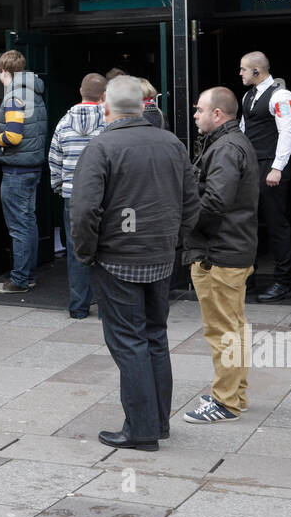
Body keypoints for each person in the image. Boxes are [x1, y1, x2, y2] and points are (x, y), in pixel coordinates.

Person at [71, 76, 199, 449]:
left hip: (116, 259)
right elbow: (192, 203)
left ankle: (142, 430)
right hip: (158, 257)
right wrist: (172, 239)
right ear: (144, 106)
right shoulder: (172, 143)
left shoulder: (101, 147)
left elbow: (83, 211)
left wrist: (86, 252)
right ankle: (156, 423)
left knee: (129, 343)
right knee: (154, 337)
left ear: (105, 108)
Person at [182, 86, 261, 424]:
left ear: (218, 114)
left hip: (219, 252)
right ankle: (235, 395)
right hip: (230, 248)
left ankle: (225, 402)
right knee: (234, 326)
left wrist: (187, 223)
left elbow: (215, 202)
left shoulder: (227, 148)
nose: (195, 115)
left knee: (222, 330)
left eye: (200, 110)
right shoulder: (231, 143)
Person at [238, 52, 291, 302]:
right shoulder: (248, 95)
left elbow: (288, 132)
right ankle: (248, 278)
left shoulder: (281, 96)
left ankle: (283, 282)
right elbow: (243, 129)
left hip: (270, 166)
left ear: (256, 71)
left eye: (243, 69)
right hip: (251, 166)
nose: (240, 73)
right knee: (247, 223)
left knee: (276, 225)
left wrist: (277, 167)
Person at [0, 50, 48, 294]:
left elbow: (12, 136)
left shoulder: (14, 96)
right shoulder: (35, 92)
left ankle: (20, 280)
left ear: (4, 72)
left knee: (19, 227)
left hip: (16, 171)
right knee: (28, 223)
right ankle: (29, 275)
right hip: (32, 167)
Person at [49, 73, 107, 318]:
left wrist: (60, 187)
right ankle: (107, 307)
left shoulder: (63, 122)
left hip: (73, 196)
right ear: (104, 95)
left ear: (80, 91)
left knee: (76, 250)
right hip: (104, 196)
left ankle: (78, 307)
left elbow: (54, 160)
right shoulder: (109, 123)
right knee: (107, 250)